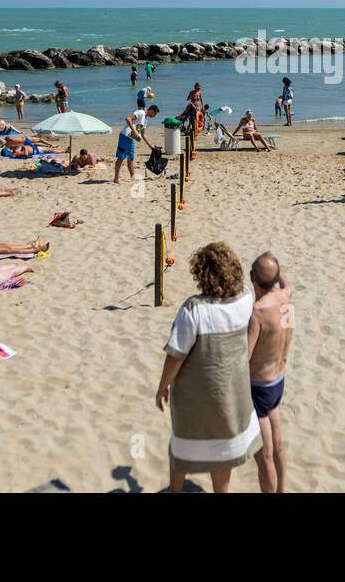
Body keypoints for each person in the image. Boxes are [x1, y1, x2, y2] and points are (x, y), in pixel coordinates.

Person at [155, 242, 261, 493]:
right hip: (232, 396)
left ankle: (175, 491)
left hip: (198, 398)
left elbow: (175, 355)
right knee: (222, 457)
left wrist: (162, 386)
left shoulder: (194, 310)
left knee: (180, 449)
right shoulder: (246, 297)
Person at [246, 252, 293, 493]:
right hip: (278, 381)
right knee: (278, 447)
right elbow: (287, 285)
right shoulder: (285, 297)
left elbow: (244, 357)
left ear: (253, 279)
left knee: (265, 455)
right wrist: (277, 269)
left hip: (259, 387)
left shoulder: (258, 312)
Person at [115, 104, 159, 183]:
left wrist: (150, 146)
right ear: (152, 111)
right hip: (124, 136)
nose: (154, 116)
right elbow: (128, 119)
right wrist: (134, 132)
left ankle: (132, 177)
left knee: (131, 158)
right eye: (154, 114)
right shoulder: (141, 112)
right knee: (121, 158)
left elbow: (143, 135)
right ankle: (116, 178)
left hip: (131, 139)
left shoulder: (145, 120)